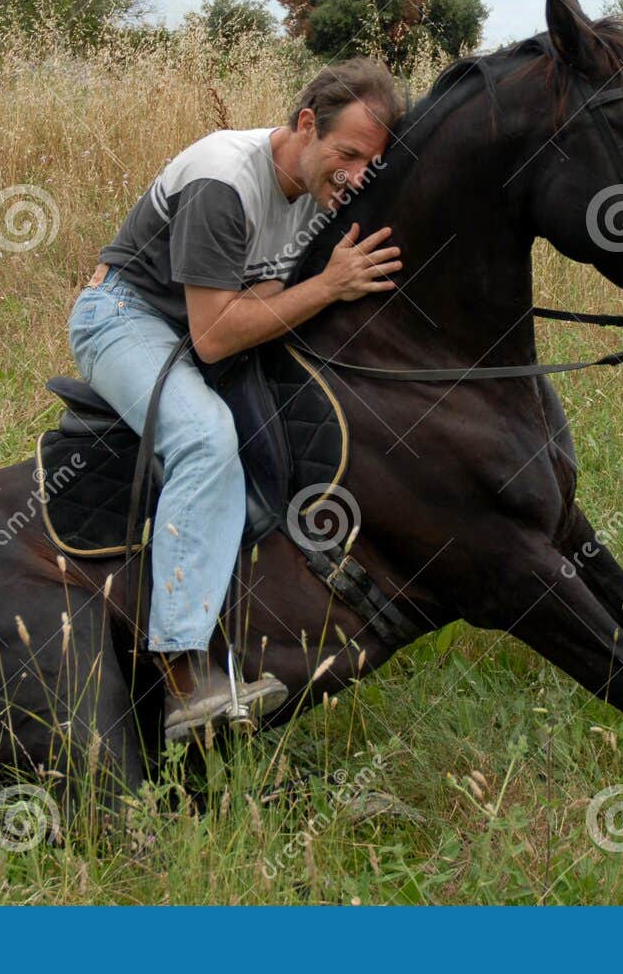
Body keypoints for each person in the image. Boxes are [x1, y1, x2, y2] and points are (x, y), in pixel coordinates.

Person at [68, 58, 404, 740]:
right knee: (205, 438)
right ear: (307, 125)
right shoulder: (225, 180)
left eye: (370, 163)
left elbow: (270, 300)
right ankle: (185, 672)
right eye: (346, 154)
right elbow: (217, 334)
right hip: (125, 319)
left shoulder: (322, 191)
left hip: (200, 321)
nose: (357, 176)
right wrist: (327, 287)